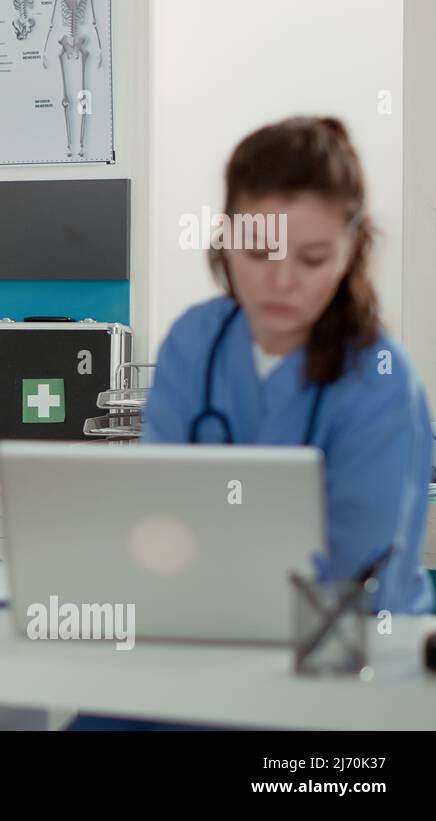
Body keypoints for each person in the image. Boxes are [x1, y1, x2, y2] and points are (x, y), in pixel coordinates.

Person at [144, 116, 434, 615]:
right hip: (199, 635)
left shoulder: (381, 380)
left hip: (350, 656)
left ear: (350, 253)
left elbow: (363, 580)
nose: (281, 283)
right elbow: (154, 516)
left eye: (313, 258)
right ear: (224, 238)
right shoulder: (193, 343)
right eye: (259, 252)